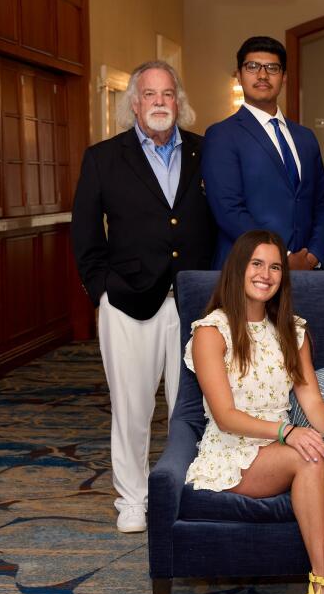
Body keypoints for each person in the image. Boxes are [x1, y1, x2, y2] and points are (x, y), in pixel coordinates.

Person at [184, 230, 324, 594]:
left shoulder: (292, 331)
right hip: (235, 451)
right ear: (238, 269)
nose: (266, 274)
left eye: (275, 267)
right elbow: (226, 416)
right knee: (310, 459)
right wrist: (287, 432)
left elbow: (310, 397)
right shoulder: (211, 332)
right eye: (257, 264)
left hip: (285, 445)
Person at [71, 60, 216, 533]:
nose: (159, 102)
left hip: (194, 300)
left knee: (191, 404)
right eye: (150, 94)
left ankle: (184, 489)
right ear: (133, 103)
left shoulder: (203, 152)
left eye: (168, 94)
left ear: (179, 102)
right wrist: (102, 292)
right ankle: (132, 498)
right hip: (129, 302)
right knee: (132, 408)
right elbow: (86, 237)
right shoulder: (103, 158)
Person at [203, 36, 324, 270]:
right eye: (252, 67)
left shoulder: (305, 138)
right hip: (245, 271)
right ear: (239, 75)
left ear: (284, 77)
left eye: (272, 68)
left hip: (306, 273)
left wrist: (313, 255)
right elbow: (229, 211)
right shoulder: (221, 135)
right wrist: (282, 258)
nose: (262, 75)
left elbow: (321, 204)